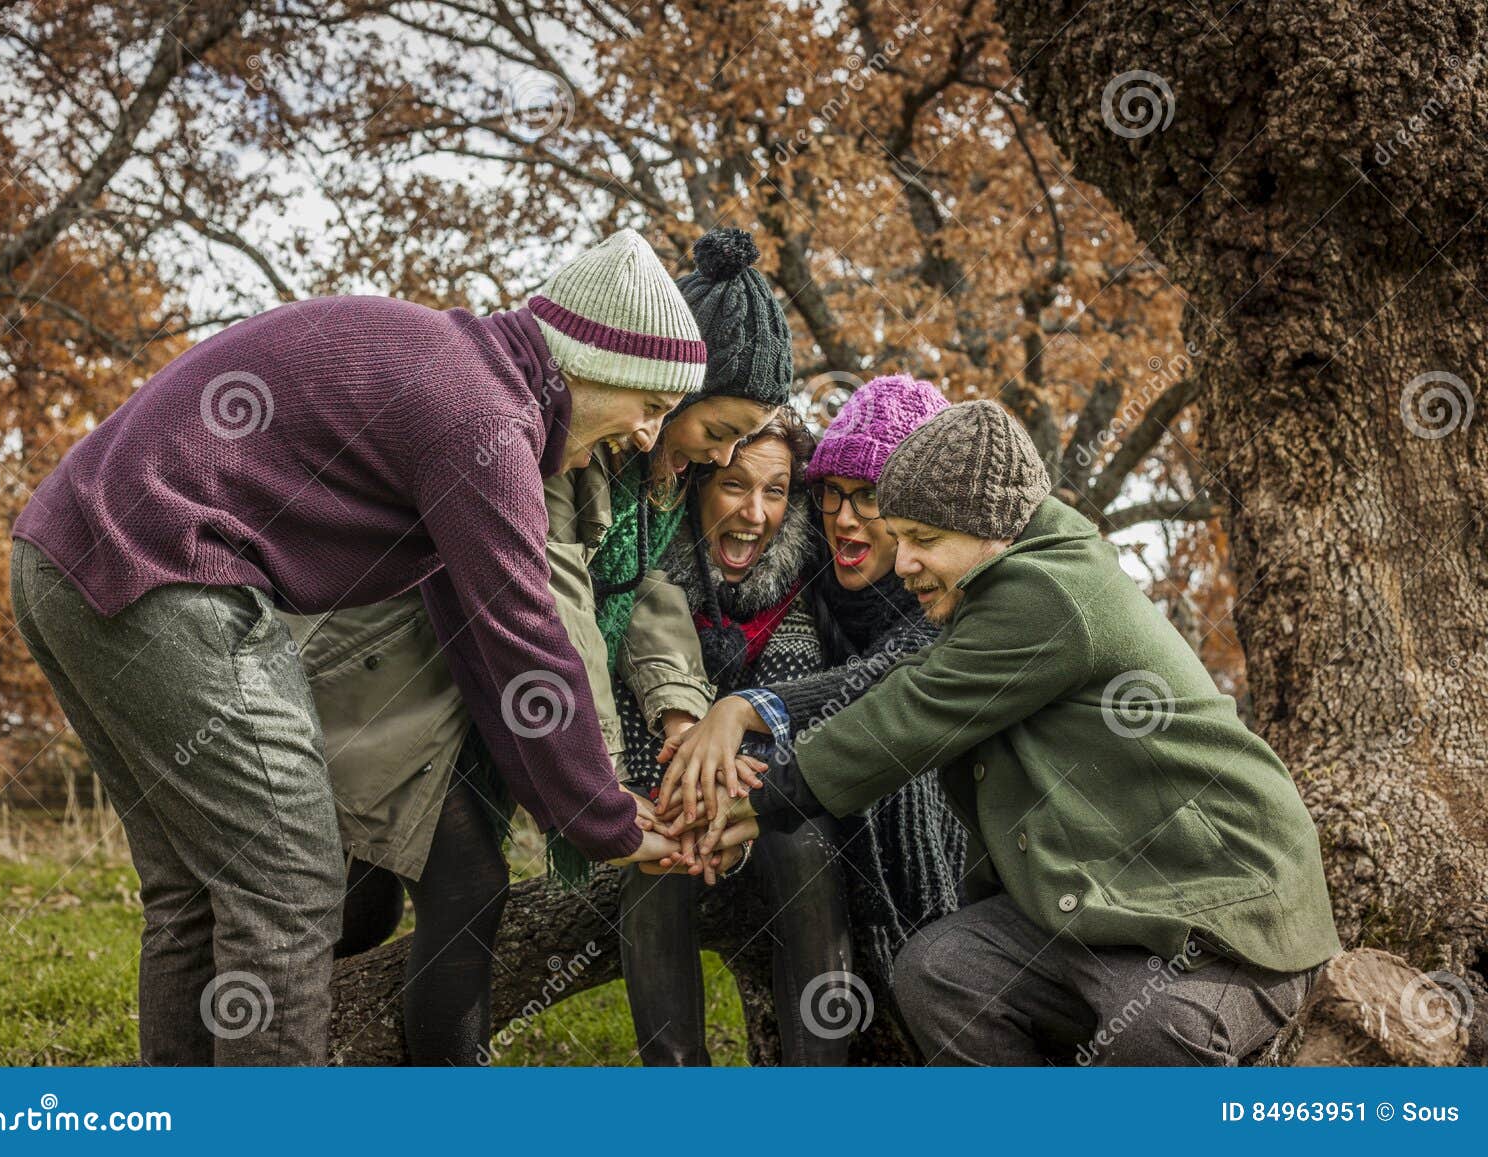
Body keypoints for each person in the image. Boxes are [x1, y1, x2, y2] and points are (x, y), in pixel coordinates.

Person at [8, 228, 701, 1065]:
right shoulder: (487, 419)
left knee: (194, 893)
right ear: (597, 361)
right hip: (164, 571)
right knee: (291, 889)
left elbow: (479, 637)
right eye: (651, 404)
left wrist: (585, 808)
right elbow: (527, 636)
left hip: (62, 556)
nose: (645, 435)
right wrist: (607, 821)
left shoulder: (463, 379)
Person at [680, 399, 1344, 1065]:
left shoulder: (1049, 594)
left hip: (1224, 918)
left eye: (925, 539)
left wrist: (756, 800)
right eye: (900, 535)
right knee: (942, 971)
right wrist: (759, 711)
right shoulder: (1004, 584)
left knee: (1158, 1036)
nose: (903, 561)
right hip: (1106, 910)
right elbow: (910, 675)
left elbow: (910, 711)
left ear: (993, 528)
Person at [314, 227, 789, 1064]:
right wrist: (600, 781)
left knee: (390, 892)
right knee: (443, 886)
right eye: (721, 428)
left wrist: (680, 710)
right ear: (670, 389)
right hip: (412, 669)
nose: (726, 456)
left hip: (476, 684)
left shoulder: (662, 475)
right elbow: (556, 607)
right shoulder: (565, 443)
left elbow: (644, 594)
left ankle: (305, 1045)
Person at [625, 387, 966, 1065]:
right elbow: (638, 665)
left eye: (866, 495)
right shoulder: (655, 564)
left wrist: (745, 738)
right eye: (831, 494)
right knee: (664, 839)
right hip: (737, 789)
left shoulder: (940, 590)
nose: (843, 517)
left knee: (795, 832)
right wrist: (689, 799)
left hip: (859, 823)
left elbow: (866, 687)